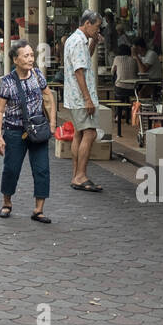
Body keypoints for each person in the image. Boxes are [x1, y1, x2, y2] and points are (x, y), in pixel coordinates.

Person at [0, 40, 56, 223]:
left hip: (38, 130)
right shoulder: (7, 82)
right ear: (16, 59)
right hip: (14, 131)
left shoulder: (37, 74)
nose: (31, 59)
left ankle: (38, 209)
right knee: (11, 169)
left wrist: (52, 123)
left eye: (32, 55)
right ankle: (7, 203)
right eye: (26, 56)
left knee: (42, 169)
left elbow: (48, 96)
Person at [64, 10, 103, 192]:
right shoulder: (79, 41)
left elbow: (85, 58)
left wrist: (94, 41)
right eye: (97, 26)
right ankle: (80, 176)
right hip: (80, 97)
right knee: (90, 133)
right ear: (87, 23)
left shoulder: (75, 40)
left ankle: (76, 174)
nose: (98, 30)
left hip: (74, 96)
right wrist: (88, 98)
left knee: (79, 133)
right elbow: (79, 71)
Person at [109, 43, 138, 130]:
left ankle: (118, 115)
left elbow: (112, 72)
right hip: (132, 89)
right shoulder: (133, 60)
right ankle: (127, 115)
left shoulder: (117, 58)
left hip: (120, 88)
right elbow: (136, 72)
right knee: (126, 97)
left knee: (118, 94)